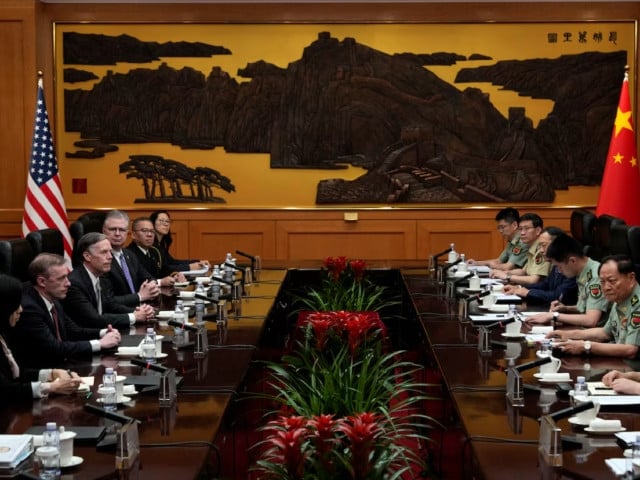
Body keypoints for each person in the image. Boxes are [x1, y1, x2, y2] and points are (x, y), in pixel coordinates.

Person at [7, 254, 121, 369]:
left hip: (62, 365)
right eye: (61, 278)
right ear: (42, 282)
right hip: (42, 372)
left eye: (67, 277)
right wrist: (100, 344)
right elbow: (54, 348)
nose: (68, 283)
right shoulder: (29, 308)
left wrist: (103, 333)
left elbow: (73, 330)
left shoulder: (53, 297)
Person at [0, 274, 82, 406]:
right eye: (16, 304)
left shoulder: (4, 335)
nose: (21, 309)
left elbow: (17, 372)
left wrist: (52, 373)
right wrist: (51, 387)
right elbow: (5, 390)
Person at [546, 255, 638, 358]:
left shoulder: (637, 304)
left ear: (631, 278)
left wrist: (586, 346)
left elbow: (631, 350)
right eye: (602, 282)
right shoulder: (620, 297)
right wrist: (569, 334)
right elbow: (605, 332)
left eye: (612, 281)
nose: (606, 287)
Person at [63, 232, 156, 330]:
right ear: (87, 256)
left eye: (110, 252)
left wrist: (137, 311)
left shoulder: (101, 276)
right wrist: (134, 317)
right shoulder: (75, 283)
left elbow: (110, 305)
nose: (110, 256)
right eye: (104, 252)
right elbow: (93, 319)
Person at [526, 233, 609, 327]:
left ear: (572, 261)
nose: (560, 272)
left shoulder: (595, 277)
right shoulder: (583, 272)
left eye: (559, 267)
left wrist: (554, 315)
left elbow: (591, 320)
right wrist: (566, 309)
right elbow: (589, 307)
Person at [502, 227, 577, 307]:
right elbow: (546, 284)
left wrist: (527, 292)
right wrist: (519, 287)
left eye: (543, 245)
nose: (541, 250)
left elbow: (557, 296)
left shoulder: (570, 264)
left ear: (557, 244)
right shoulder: (558, 261)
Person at [102, 210, 160, 307]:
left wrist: (152, 285)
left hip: (140, 309)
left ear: (127, 233)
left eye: (122, 230)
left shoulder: (130, 255)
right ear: (103, 231)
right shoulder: (101, 259)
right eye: (112, 229)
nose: (117, 233)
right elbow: (107, 300)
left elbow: (148, 278)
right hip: (118, 315)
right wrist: (139, 296)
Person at [490, 212, 550, 285]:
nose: (522, 233)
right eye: (520, 229)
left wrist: (507, 276)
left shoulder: (542, 249)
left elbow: (533, 280)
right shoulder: (531, 247)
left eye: (527, 228)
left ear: (538, 230)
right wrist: (504, 273)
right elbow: (523, 271)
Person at [127, 217, 186, 286]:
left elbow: (164, 269)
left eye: (152, 231)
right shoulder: (129, 255)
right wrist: (160, 282)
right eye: (144, 230)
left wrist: (175, 275)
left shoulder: (155, 250)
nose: (149, 234)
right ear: (133, 235)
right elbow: (136, 281)